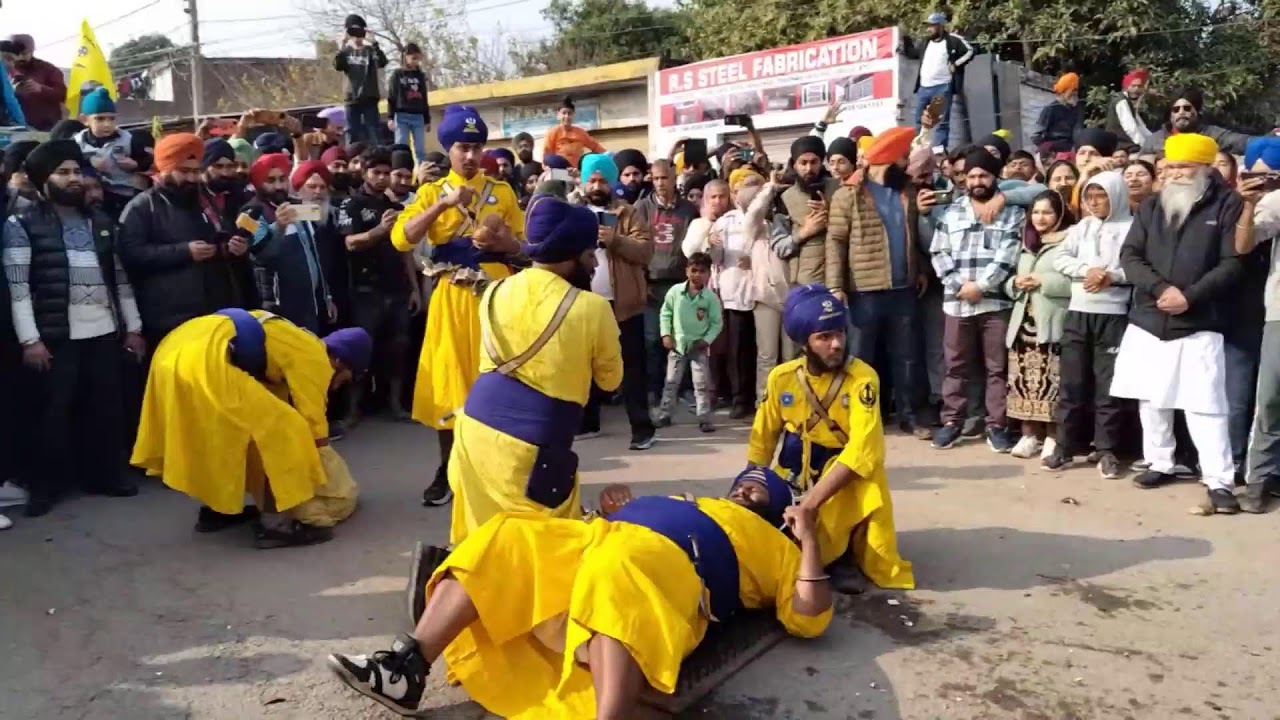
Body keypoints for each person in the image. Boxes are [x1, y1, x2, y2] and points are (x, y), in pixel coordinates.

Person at [328, 467, 833, 718]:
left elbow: (809, 615)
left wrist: (806, 537)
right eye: (742, 485)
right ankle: (407, 668)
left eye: (758, 491)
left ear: (775, 514)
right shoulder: (695, 500)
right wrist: (617, 508)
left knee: (617, 571)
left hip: (674, 569)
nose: (743, 491)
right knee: (510, 534)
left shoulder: (775, 545)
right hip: (601, 536)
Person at [443, 194, 623, 543]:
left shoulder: (495, 291)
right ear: (574, 255)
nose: (595, 266)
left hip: (473, 432)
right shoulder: (591, 307)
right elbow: (610, 379)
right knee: (540, 550)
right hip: (532, 449)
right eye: (591, 256)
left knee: (478, 543)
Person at [133, 311, 370, 546]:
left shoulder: (291, 338)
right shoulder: (315, 357)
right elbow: (313, 424)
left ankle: (219, 510)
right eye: (347, 377)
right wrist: (332, 480)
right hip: (203, 358)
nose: (339, 385)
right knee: (283, 430)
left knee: (225, 433)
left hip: (175, 350)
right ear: (340, 361)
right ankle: (275, 526)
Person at [1, 140, 144, 516]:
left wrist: (133, 327)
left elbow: (120, 279)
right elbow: (18, 288)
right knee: (52, 413)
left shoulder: (99, 222)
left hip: (102, 331)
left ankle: (105, 477)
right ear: (43, 180)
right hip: (54, 336)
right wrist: (30, 339)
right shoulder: (22, 225)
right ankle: (46, 487)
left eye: (77, 171)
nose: (74, 179)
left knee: (105, 409)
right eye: (62, 172)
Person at [393, 105, 525, 506]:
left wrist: (500, 243)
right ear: (448, 149)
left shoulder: (501, 192)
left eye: (477, 147)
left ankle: (498, 471)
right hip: (451, 299)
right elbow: (403, 239)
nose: (470, 156)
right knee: (451, 387)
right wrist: (444, 205)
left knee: (499, 385)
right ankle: (447, 470)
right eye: (462, 147)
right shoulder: (431, 193)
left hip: (495, 297)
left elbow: (524, 246)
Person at [748, 284, 914, 592]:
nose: (836, 344)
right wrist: (751, 482)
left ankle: (843, 555)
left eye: (839, 333)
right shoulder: (782, 378)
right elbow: (763, 438)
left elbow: (864, 450)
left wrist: (810, 505)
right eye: (824, 337)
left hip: (844, 473)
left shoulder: (863, 379)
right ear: (804, 344)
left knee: (849, 499)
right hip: (796, 469)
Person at [1112, 134, 1243, 513]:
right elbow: (1130, 255)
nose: (1175, 174)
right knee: (1151, 396)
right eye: (1170, 167)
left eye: (1184, 167)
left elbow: (1233, 263)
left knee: (1205, 404)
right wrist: (1160, 288)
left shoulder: (1228, 204)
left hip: (1199, 320)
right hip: (1150, 316)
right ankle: (1160, 461)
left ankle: (1219, 481)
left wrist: (1190, 296)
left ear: (1204, 168)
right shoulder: (1153, 205)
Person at [825, 127, 930, 439]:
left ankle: (909, 417)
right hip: (863, 292)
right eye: (903, 158)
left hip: (903, 290)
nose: (908, 163)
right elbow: (836, 242)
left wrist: (919, 269)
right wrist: (835, 285)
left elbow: (912, 236)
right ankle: (859, 418)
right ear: (888, 160)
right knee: (860, 358)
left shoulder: (906, 192)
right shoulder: (848, 194)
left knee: (907, 357)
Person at [119, 134, 256, 350]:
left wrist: (235, 247)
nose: (192, 178)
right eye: (184, 171)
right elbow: (130, 254)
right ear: (164, 170)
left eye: (196, 171)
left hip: (217, 313)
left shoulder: (207, 201)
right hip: (171, 319)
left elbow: (225, 235)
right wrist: (183, 252)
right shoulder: (143, 208)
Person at [929, 148, 1024, 451]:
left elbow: (1008, 255)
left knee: (997, 368)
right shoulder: (951, 212)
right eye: (971, 176)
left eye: (983, 174)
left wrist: (982, 285)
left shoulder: (1012, 212)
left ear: (995, 176)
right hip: (957, 302)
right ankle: (951, 423)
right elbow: (938, 252)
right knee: (956, 366)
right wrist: (960, 285)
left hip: (995, 302)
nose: (977, 180)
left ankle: (996, 426)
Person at [1040, 171, 1133, 475]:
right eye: (1089, 196)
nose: (1094, 203)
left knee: (1108, 386)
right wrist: (1087, 270)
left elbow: (1136, 268)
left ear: (1115, 195)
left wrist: (1112, 276)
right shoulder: (1082, 227)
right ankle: (1065, 447)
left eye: (1101, 196)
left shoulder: (1132, 227)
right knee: (1072, 383)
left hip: (1114, 315)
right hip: (1079, 313)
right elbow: (1061, 259)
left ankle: (1106, 449)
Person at [576, 152, 657, 448]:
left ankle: (642, 430)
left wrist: (615, 241)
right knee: (584, 366)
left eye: (602, 181)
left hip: (624, 305)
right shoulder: (575, 212)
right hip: (585, 304)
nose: (597, 186)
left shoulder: (629, 213)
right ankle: (588, 422)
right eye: (592, 180)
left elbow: (645, 251)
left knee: (633, 368)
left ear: (612, 182)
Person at [337, 148, 420, 420]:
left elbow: (406, 250)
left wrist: (414, 289)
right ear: (365, 173)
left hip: (396, 290)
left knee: (398, 349)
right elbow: (349, 242)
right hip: (366, 292)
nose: (383, 178)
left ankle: (394, 405)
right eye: (377, 173)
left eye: (387, 173)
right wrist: (379, 231)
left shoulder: (396, 209)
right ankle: (353, 411)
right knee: (360, 351)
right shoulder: (352, 205)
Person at [1004, 191, 1074, 459]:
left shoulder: (1070, 240)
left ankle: (1054, 438)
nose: (1041, 218)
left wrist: (1043, 281)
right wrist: (1014, 284)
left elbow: (1074, 282)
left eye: (1047, 212)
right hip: (1023, 325)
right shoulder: (1025, 242)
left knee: (1052, 382)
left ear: (1059, 215)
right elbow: (1008, 279)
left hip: (1052, 323)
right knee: (1022, 382)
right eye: (1036, 212)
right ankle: (1029, 434)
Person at [240, 153, 336, 334]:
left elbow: (314, 253)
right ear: (259, 184)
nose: (278, 186)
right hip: (278, 309)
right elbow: (262, 256)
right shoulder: (250, 213)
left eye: (282, 179)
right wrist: (279, 227)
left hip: (310, 306)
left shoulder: (297, 207)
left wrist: (326, 295)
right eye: (270, 180)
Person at [1236, 137, 1280, 512]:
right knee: (1270, 401)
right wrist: (1248, 204)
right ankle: (1259, 482)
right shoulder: (1276, 201)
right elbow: (1245, 244)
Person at [634, 158, 698, 396]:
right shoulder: (641, 208)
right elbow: (634, 245)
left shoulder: (688, 210)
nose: (660, 183)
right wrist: (641, 280)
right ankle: (654, 389)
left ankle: (682, 389)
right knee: (652, 340)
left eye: (665, 178)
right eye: (656, 178)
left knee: (682, 337)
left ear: (674, 178)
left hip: (679, 283)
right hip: (650, 284)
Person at [654, 251, 721, 432]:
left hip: (698, 347)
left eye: (702, 271)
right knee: (671, 382)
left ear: (708, 274)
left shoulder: (710, 298)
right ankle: (664, 414)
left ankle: (704, 418)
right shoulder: (675, 292)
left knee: (701, 384)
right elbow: (665, 313)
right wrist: (666, 335)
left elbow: (716, 323)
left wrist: (706, 340)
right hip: (677, 345)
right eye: (694, 270)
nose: (697, 275)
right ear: (686, 271)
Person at [900, 12, 975, 151]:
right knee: (919, 119)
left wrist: (956, 64)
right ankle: (918, 147)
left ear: (940, 26)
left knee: (941, 120)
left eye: (932, 26)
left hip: (943, 86)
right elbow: (913, 54)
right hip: (924, 87)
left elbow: (970, 51)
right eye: (928, 26)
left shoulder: (952, 40)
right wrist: (905, 38)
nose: (929, 29)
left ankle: (939, 148)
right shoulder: (925, 42)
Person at [778, 135, 838, 286]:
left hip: (840, 281)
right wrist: (804, 232)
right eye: (803, 163)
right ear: (794, 164)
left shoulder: (839, 189)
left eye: (814, 162)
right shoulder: (785, 198)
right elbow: (779, 247)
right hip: (805, 284)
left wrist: (831, 215)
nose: (809, 169)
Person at [72, 88, 138, 219]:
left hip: (124, 194)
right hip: (91, 195)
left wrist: (136, 165)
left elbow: (146, 161)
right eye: (100, 119)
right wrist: (89, 164)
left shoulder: (128, 139)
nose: (107, 124)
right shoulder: (77, 143)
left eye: (112, 119)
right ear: (85, 120)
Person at [1140, 88, 1256, 156]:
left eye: (1187, 108)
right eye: (1176, 109)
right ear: (1170, 115)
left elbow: (1241, 142)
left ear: (1196, 111)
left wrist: (1269, 138)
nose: (1181, 112)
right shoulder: (1154, 141)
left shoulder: (1212, 134)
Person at [333, 14, 389, 144]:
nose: (356, 35)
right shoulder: (346, 52)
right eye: (352, 31)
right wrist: (341, 45)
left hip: (369, 97)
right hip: (351, 98)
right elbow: (338, 66)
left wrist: (374, 43)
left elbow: (382, 62)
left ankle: (378, 156)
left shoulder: (370, 50)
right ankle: (352, 157)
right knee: (352, 130)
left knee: (374, 130)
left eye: (359, 31)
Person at [3, 34, 64, 132]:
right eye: (15, 54)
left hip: (46, 125)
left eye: (23, 53)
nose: (19, 58)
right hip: (13, 125)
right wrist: (12, 91)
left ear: (31, 51)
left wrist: (41, 89)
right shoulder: (5, 68)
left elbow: (62, 94)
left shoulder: (48, 69)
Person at [387, 43, 429, 160]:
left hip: (418, 116)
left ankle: (422, 173)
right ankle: (402, 171)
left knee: (420, 149)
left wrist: (427, 119)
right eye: (413, 58)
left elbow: (424, 97)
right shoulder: (397, 74)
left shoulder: (420, 75)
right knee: (401, 148)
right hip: (401, 116)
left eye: (418, 58)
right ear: (405, 57)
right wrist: (390, 117)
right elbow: (392, 96)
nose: (416, 61)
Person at [543, 96, 605, 169]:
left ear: (573, 115)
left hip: (577, 169)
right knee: (549, 158)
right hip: (560, 168)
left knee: (593, 157)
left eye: (569, 113)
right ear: (558, 115)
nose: (567, 116)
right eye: (564, 113)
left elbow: (595, 146)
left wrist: (607, 155)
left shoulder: (580, 132)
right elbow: (546, 154)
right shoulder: (553, 132)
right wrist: (545, 167)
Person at [1032, 73, 1085, 157]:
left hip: (1070, 152)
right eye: (1072, 90)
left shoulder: (1076, 110)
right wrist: (1047, 149)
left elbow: (1077, 134)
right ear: (1063, 91)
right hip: (1052, 153)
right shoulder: (1051, 109)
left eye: (1076, 91)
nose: (1075, 93)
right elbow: (1035, 135)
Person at [1106, 69, 1152, 153]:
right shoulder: (1121, 101)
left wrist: (1154, 140)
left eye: (1139, 86)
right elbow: (1131, 128)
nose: (1136, 89)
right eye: (1133, 86)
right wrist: (1145, 146)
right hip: (1119, 146)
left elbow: (1141, 126)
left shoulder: (1128, 102)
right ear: (1127, 86)